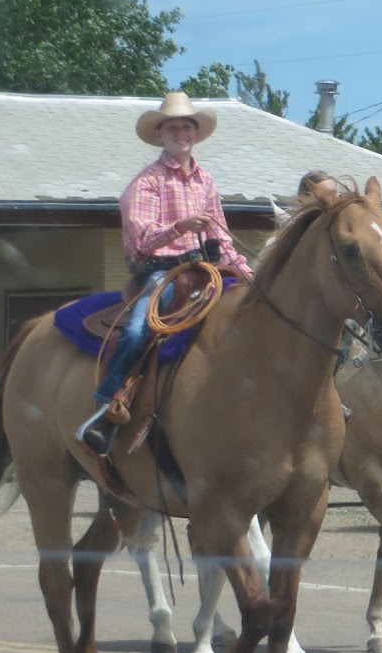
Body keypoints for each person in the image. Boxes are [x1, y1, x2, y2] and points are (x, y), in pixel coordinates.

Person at [75, 92, 255, 455]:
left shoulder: (205, 180)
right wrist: (180, 226)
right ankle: (106, 406)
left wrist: (249, 274)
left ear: (196, 134)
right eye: (173, 127)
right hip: (161, 273)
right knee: (139, 330)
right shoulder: (147, 182)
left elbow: (219, 232)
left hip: (203, 271)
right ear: (160, 135)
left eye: (187, 126)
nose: (181, 133)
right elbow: (141, 239)